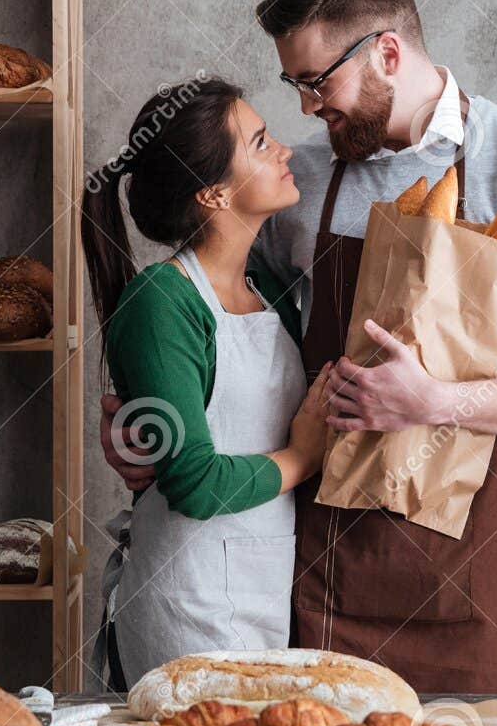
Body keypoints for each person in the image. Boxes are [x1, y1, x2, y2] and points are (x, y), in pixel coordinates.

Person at [101, 0, 497, 694]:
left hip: (469, 571)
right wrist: (148, 418)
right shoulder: (303, 181)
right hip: (316, 571)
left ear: (387, 53)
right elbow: (225, 335)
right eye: (294, 84)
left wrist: (441, 402)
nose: (307, 107)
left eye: (318, 82)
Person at [81, 76, 333, 688]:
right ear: (216, 194)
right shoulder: (161, 303)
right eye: (261, 143)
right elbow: (194, 484)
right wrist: (303, 456)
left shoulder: (269, 291)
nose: (285, 151)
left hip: (264, 591)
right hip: (186, 604)